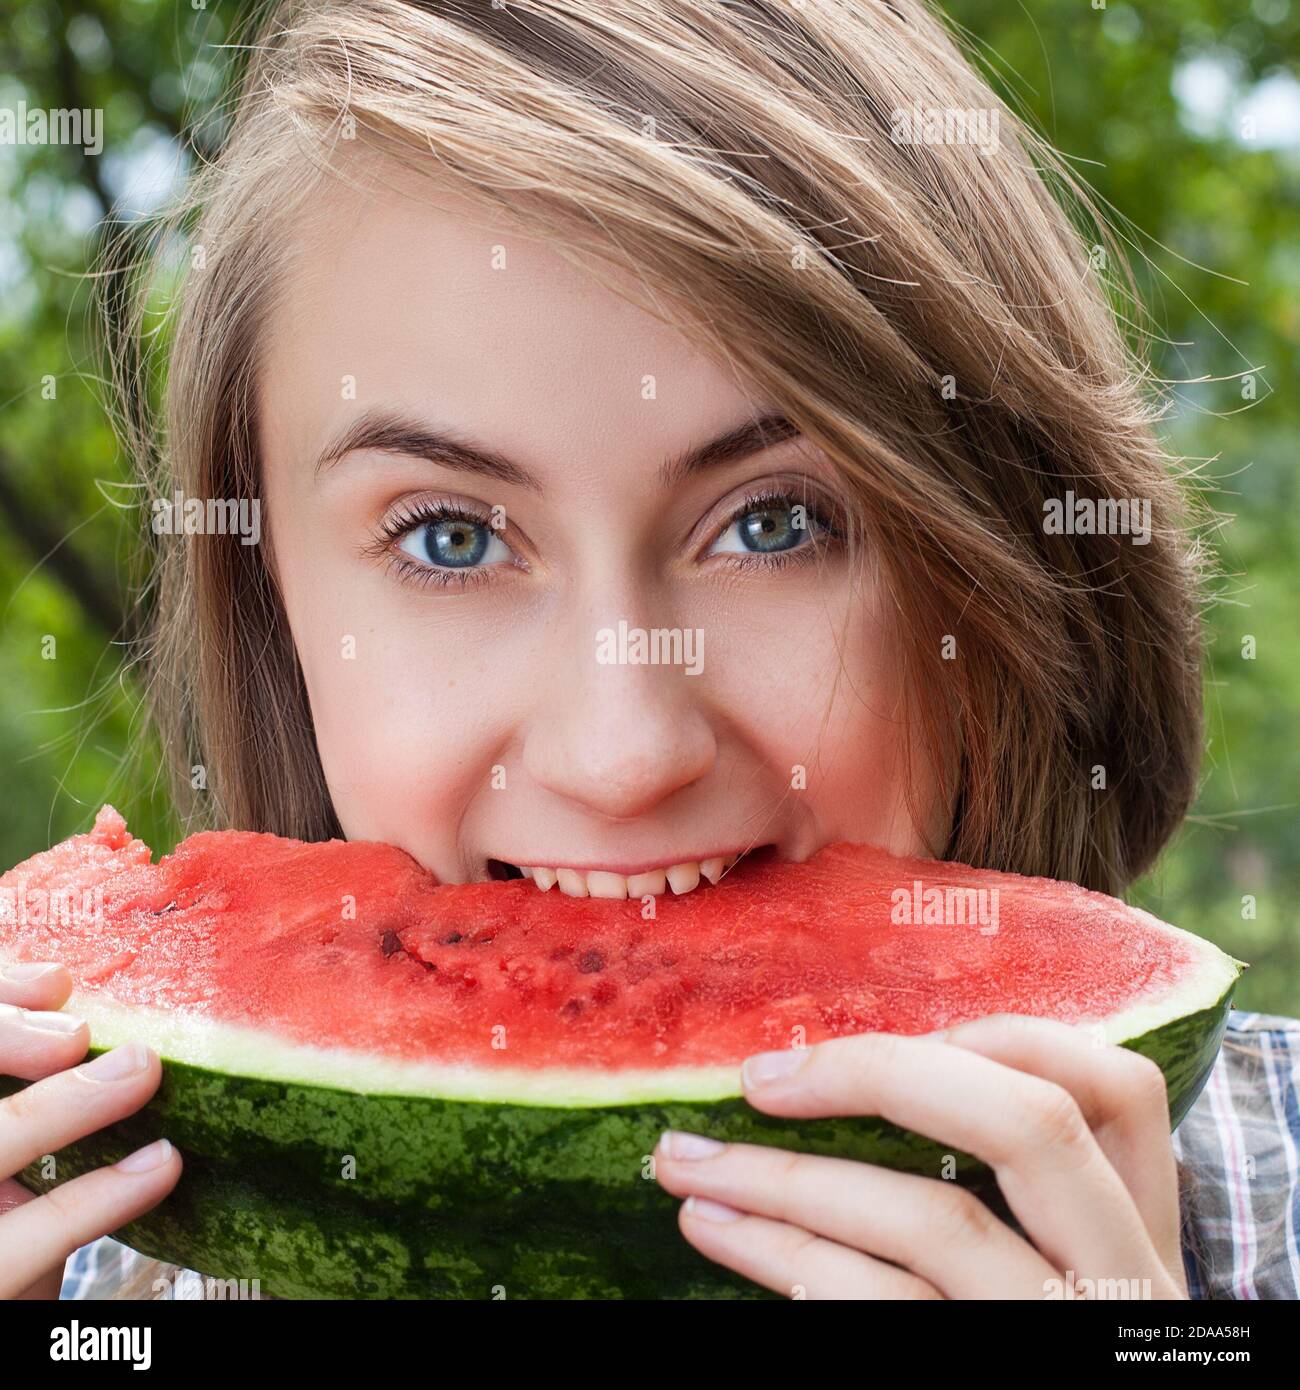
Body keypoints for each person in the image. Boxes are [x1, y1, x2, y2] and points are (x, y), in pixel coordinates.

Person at [1, 0, 1294, 1300]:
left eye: (776, 524)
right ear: (270, 596)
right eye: (450, 537)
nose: (623, 754)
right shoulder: (88, 1284)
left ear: (997, 560)